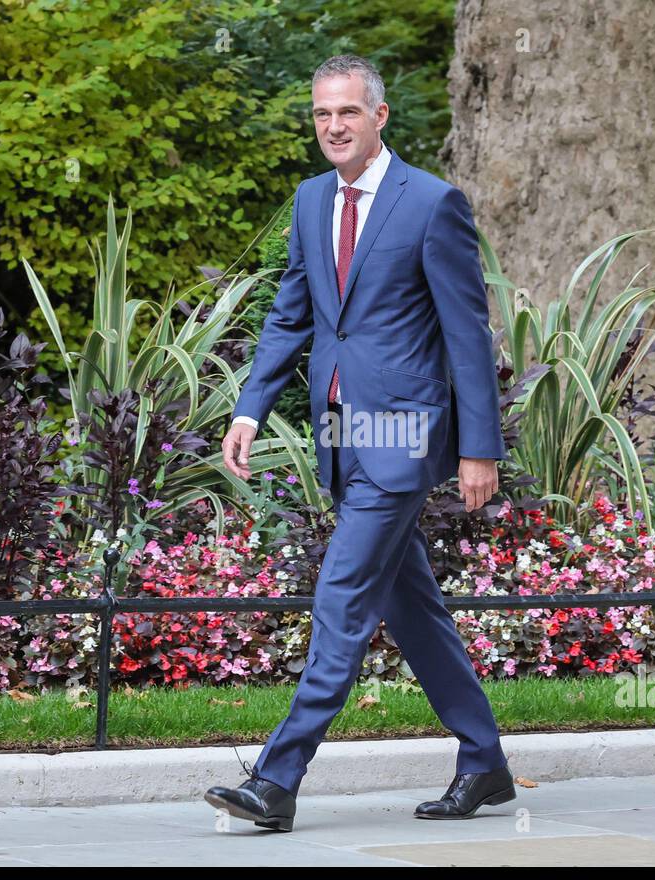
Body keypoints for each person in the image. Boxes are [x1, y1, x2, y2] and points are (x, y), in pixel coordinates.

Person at [203, 54, 514, 832]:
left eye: (347, 112)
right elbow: (292, 316)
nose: (333, 127)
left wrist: (480, 448)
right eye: (320, 115)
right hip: (342, 437)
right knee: (412, 611)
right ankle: (484, 761)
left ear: (379, 117)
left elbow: (466, 336)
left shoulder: (432, 203)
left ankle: (277, 779)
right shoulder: (311, 202)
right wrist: (249, 410)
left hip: (404, 437)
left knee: (341, 596)